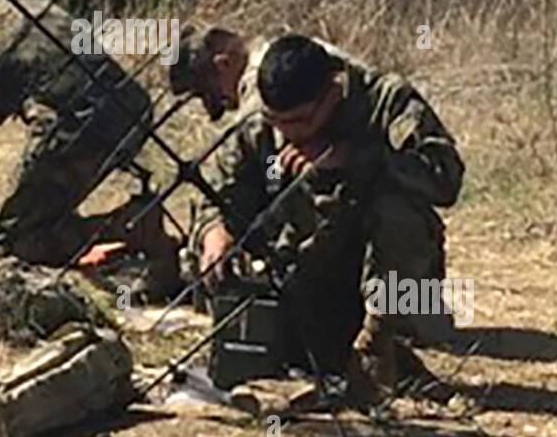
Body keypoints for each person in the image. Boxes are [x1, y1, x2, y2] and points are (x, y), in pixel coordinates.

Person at [175, 29, 465, 393]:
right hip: (306, 268)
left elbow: (445, 178)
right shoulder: (265, 122)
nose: (287, 134)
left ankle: (382, 339)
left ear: (333, 92)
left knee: (397, 211)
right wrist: (214, 232)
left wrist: (357, 159)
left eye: (300, 122)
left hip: (392, 277)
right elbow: (219, 191)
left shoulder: (386, 101)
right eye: (277, 122)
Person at [0, 0, 181, 296]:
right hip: (128, 110)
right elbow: (16, 80)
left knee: (5, 247)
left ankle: (130, 226)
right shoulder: (20, 3)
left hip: (75, 124)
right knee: (40, 210)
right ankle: (132, 231)